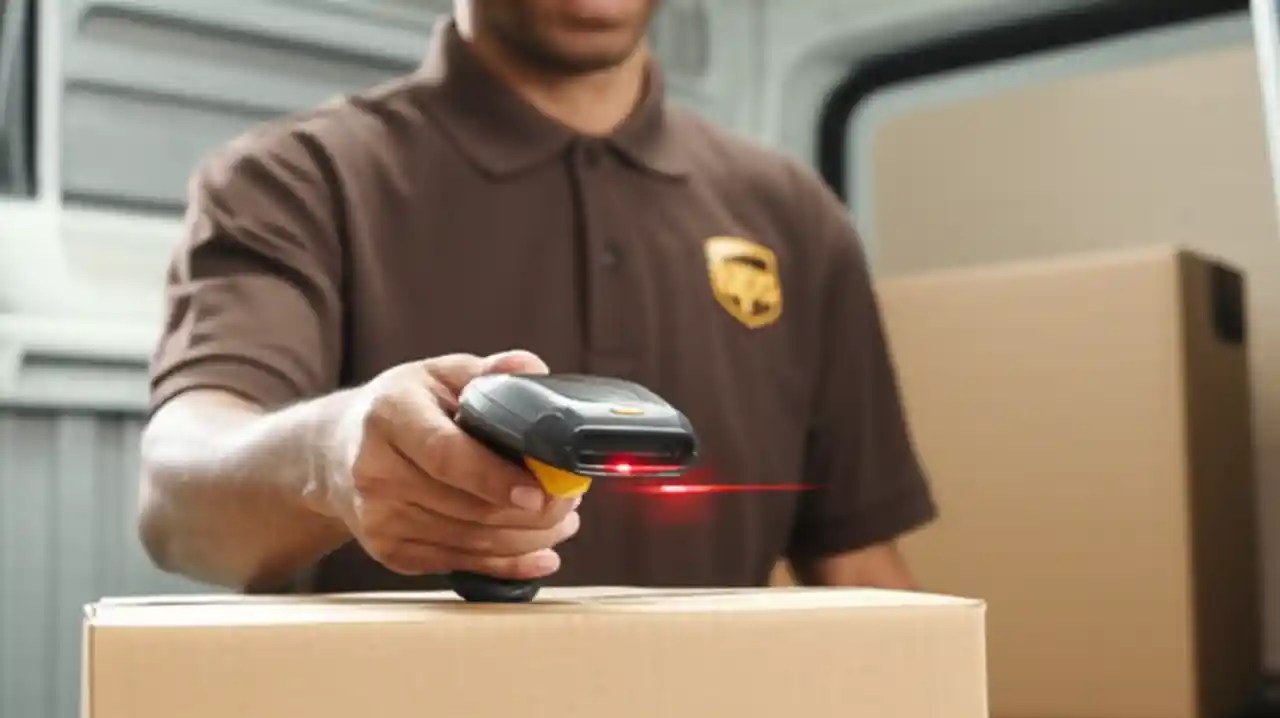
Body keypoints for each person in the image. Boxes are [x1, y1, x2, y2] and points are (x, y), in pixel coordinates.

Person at [137, 0, 937, 594]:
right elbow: (178, 503)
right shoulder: (295, 180)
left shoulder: (793, 214)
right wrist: (330, 455)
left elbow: (859, 563)